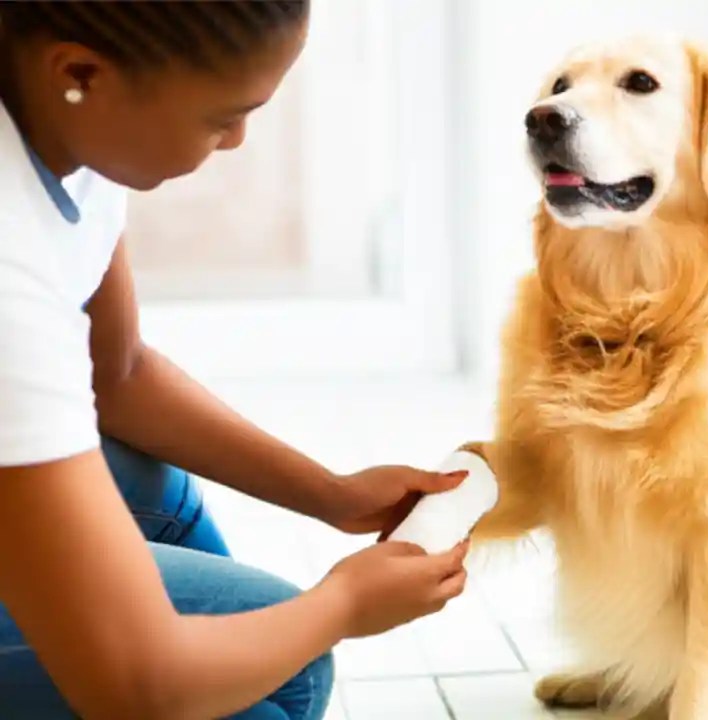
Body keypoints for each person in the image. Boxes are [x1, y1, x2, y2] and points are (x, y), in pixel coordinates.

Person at [0, 3, 472, 718]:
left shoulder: (68, 127)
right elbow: (140, 684)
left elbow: (117, 377)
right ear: (81, 72)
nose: (237, 141)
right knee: (274, 682)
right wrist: (341, 603)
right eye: (221, 118)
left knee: (163, 503)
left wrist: (332, 494)